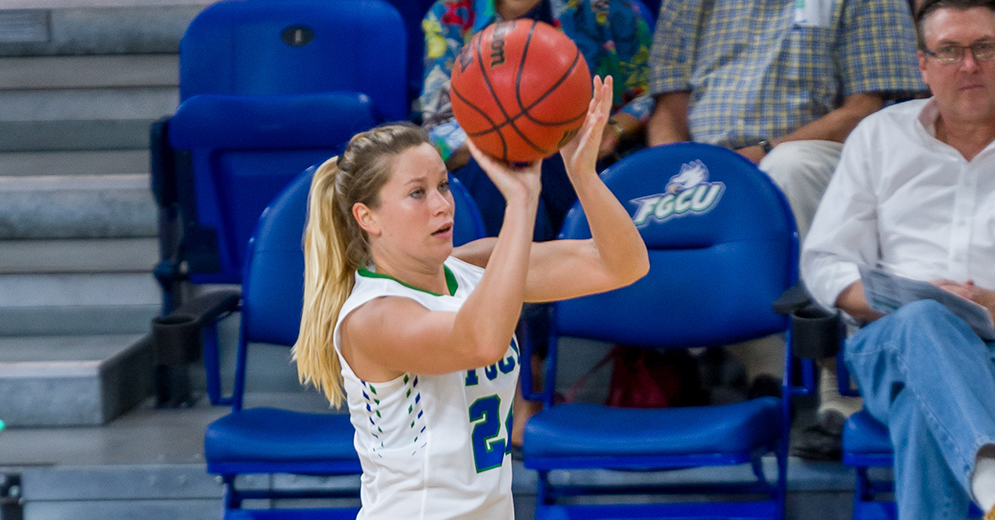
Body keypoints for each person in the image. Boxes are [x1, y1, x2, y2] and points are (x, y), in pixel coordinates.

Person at [291, 76, 649, 519]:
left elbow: (622, 264)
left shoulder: (475, 267)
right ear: (368, 217)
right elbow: (480, 342)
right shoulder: (372, 317)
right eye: (417, 193)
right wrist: (521, 203)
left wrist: (583, 175)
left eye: (442, 185)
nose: (442, 204)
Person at [645, 0, 927, 431]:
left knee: (789, 168)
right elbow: (668, 111)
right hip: (712, 165)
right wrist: (675, 168)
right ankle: (761, 360)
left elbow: (863, 111)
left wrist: (761, 155)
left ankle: (842, 383)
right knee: (651, 185)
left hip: (821, 153)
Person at [802, 0, 995, 516]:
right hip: (891, 345)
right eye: (950, 51)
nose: (969, 65)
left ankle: (988, 481)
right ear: (923, 65)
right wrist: (897, 299)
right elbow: (825, 262)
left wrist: (988, 304)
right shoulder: (881, 136)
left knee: (920, 409)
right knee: (926, 318)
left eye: (985, 48)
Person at [421, 0, 654, 239]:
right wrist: (499, 140)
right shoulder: (451, 13)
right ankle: (502, 271)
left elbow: (652, 92)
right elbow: (438, 124)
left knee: (564, 155)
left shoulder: (606, 6)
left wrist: (614, 129)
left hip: (580, 152)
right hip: (485, 160)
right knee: (493, 172)